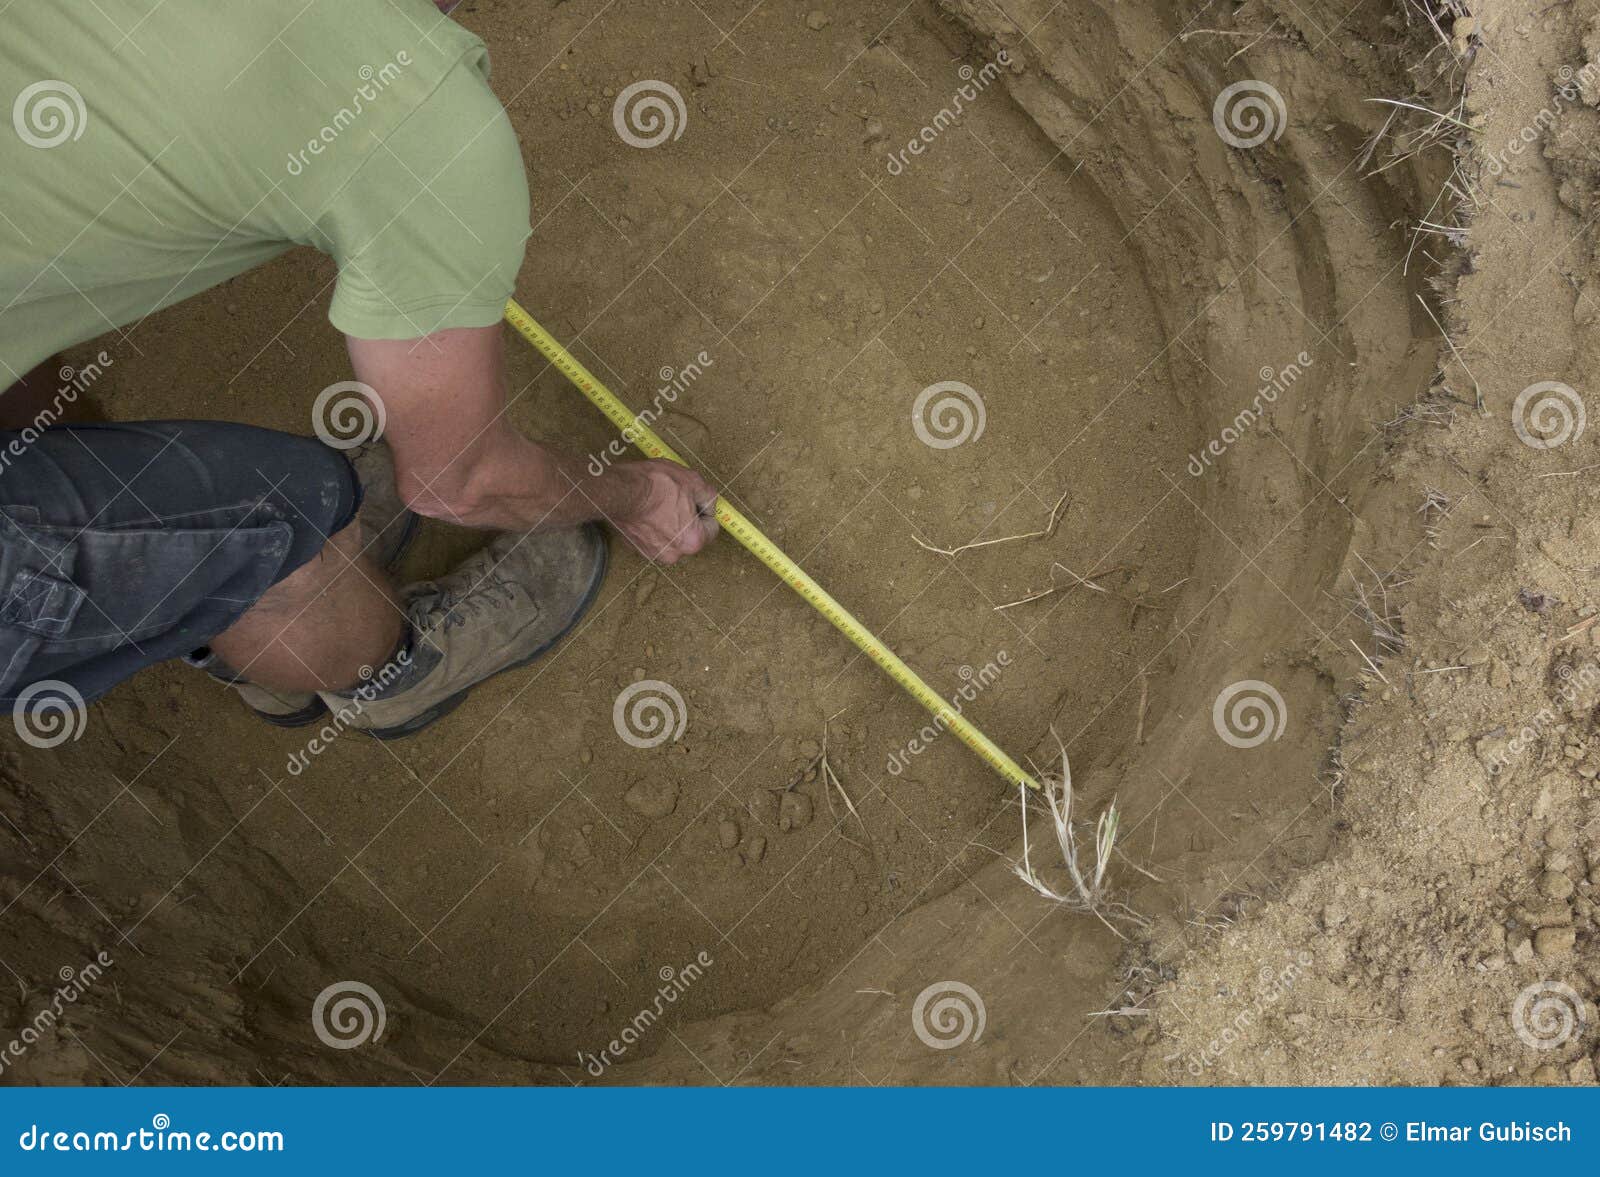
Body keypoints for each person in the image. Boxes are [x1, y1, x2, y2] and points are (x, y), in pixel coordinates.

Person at [0, 0, 717, 738]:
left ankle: (179, 589)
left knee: (81, 461)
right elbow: (458, 483)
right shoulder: (418, 122)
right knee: (284, 515)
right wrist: (634, 495)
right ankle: (385, 674)